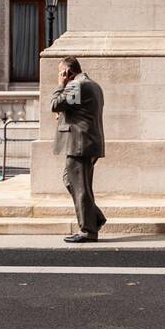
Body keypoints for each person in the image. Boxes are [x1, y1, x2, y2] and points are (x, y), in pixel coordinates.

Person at [51, 57, 106, 244]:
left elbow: (56, 104)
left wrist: (61, 84)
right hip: (87, 142)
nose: (60, 76)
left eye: (61, 72)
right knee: (71, 181)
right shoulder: (92, 85)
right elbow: (73, 109)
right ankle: (95, 217)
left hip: (79, 144)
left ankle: (88, 230)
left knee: (80, 187)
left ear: (67, 71)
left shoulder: (76, 85)